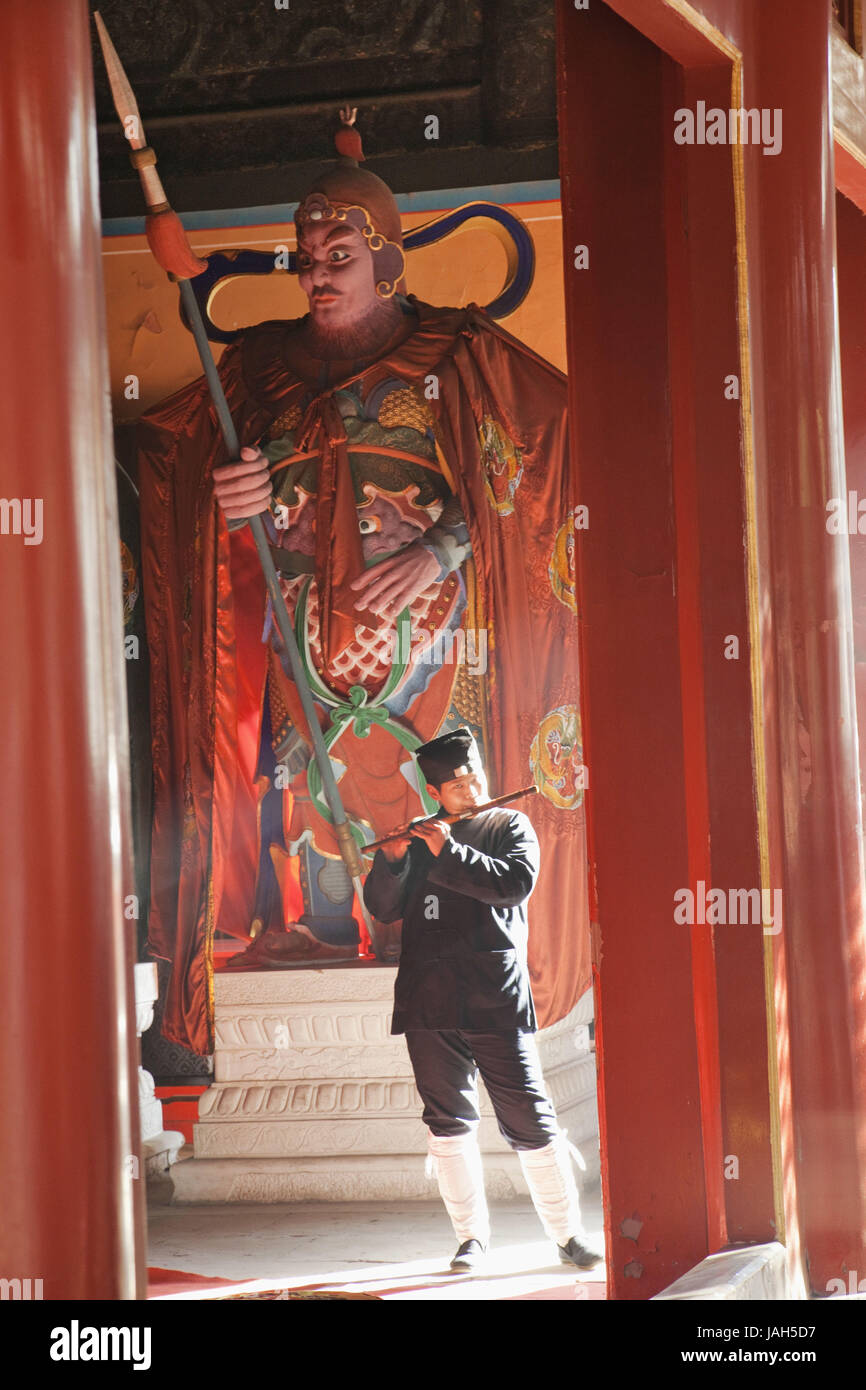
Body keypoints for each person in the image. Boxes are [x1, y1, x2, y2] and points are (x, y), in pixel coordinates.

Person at [138, 106, 589, 1056]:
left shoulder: (455, 355)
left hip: (429, 621)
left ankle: (440, 927)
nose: (314, 272)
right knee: (303, 778)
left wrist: (445, 546)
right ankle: (325, 924)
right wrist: (230, 492)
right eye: (305, 255)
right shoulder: (259, 369)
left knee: (431, 774)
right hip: (303, 617)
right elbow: (187, 472)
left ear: (387, 259)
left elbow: (549, 448)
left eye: (337, 252)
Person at [362, 727, 602, 1272]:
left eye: (473, 779)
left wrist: (449, 848)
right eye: (455, 784)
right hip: (429, 1000)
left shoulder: (509, 825)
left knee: (529, 1116)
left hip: (494, 994)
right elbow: (383, 908)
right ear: (435, 792)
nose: (469, 790)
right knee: (447, 1121)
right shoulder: (421, 838)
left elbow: (513, 885)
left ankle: (567, 1235)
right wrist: (396, 859)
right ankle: (471, 1238)